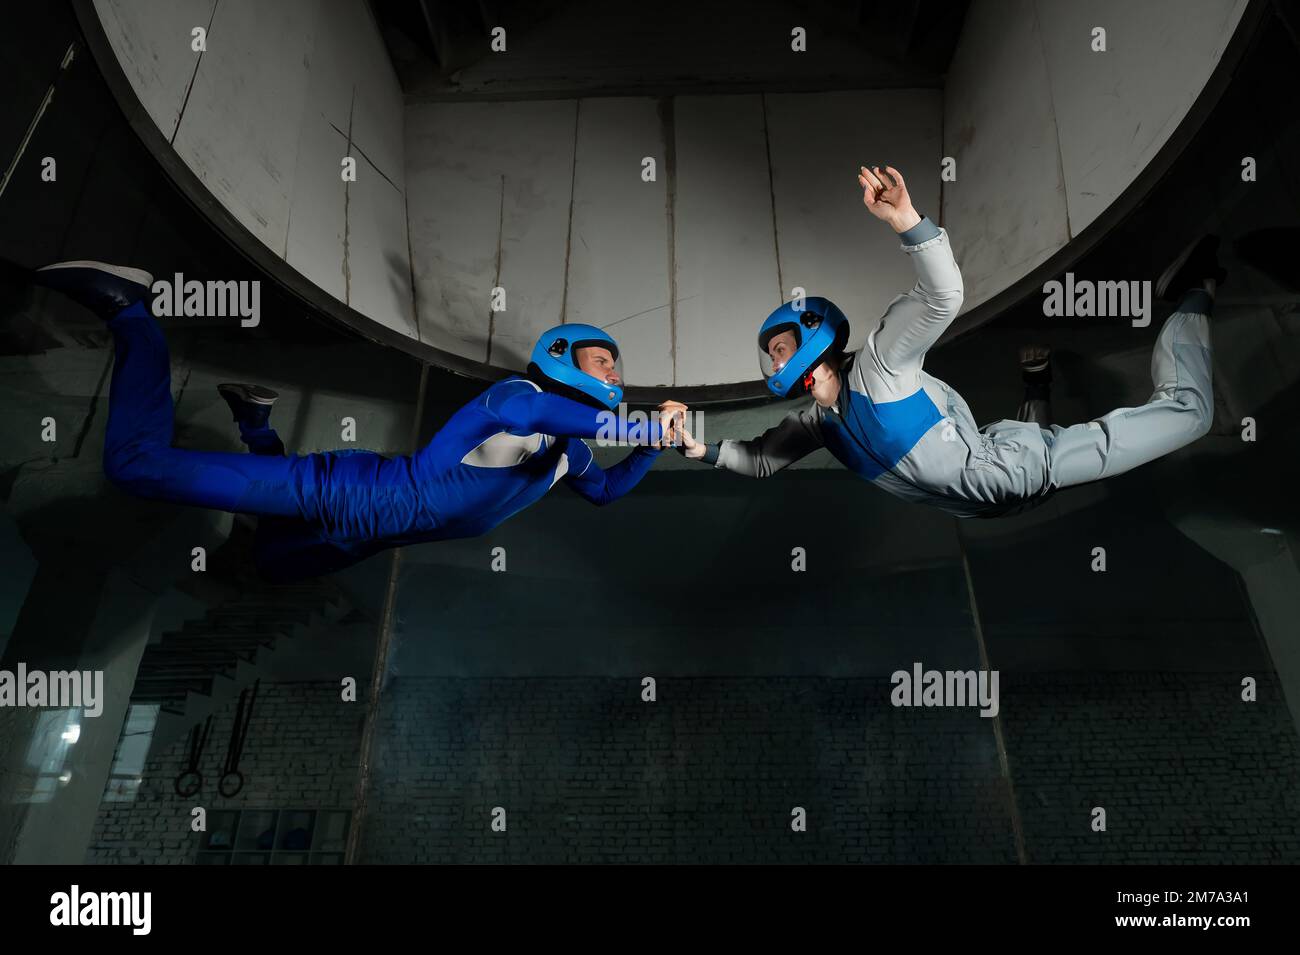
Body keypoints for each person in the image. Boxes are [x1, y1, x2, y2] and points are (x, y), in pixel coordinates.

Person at [34, 261, 677, 581]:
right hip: (346, 493)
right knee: (133, 467)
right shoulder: (517, 398)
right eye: (604, 359)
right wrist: (650, 427)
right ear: (562, 357)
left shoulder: (575, 452)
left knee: (258, 566)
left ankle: (256, 422)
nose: (616, 372)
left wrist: (653, 444)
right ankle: (131, 311)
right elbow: (537, 411)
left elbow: (607, 493)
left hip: (362, 539)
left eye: (618, 365)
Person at [676, 165, 1223, 518]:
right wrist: (698, 448)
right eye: (772, 354)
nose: (775, 360)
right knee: (1020, 451)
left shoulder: (881, 364)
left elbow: (944, 295)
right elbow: (760, 460)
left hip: (1011, 471)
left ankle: (1196, 291)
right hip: (987, 498)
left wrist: (907, 222)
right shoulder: (821, 425)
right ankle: (1036, 385)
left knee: (1190, 416)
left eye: (781, 347)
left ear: (815, 340)